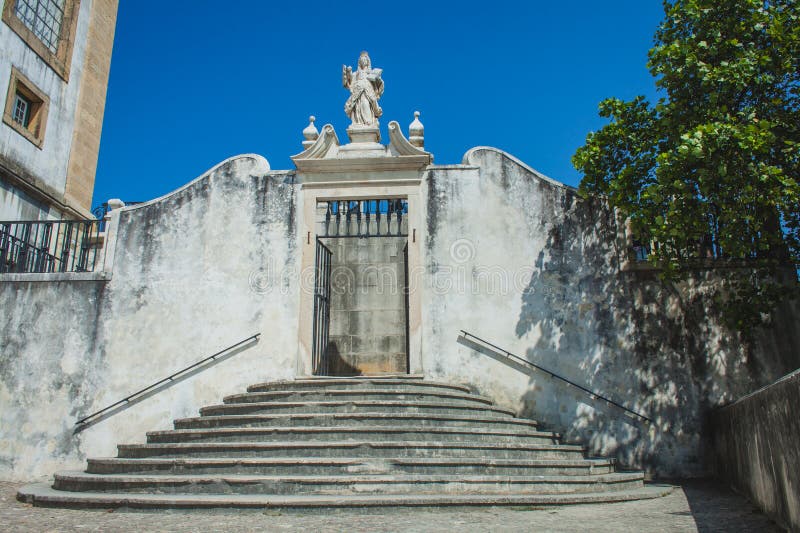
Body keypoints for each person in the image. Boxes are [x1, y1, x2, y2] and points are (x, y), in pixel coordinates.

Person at [342, 52, 384, 127]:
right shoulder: (356, 74)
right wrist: (348, 73)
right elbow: (349, 83)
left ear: (368, 62)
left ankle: (368, 122)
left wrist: (379, 80)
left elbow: (379, 86)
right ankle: (359, 122)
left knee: (366, 104)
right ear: (359, 62)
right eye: (361, 60)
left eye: (365, 60)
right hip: (358, 92)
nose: (363, 61)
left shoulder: (371, 73)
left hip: (368, 91)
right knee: (359, 106)